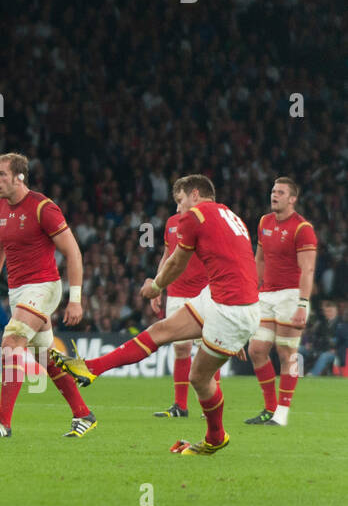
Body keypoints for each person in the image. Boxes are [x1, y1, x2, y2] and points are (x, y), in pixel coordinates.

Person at [53, 174, 260, 455]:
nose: (177, 209)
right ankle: (92, 368)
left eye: (180, 200)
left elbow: (176, 261)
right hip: (223, 297)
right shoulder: (229, 214)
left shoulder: (195, 216)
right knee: (161, 331)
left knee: (199, 378)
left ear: (195, 194)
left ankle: (216, 437)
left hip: (230, 308)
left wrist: (156, 286)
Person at [0, 153, 95, 439]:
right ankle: (84, 414)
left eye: (2, 174)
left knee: (11, 341)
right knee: (44, 356)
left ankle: (2, 422)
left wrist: (75, 298)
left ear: (19, 177)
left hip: (44, 287)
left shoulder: (43, 208)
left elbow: (73, 252)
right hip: (18, 291)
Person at [245, 177, 317, 426]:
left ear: (292, 198)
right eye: (273, 191)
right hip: (266, 294)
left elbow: (307, 270)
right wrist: (253, 291)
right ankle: (269, 408)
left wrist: (303, 304)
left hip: (290, 295)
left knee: (287, 353)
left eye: (280, 192)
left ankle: (282, 413)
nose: (274, 195)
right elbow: (260, 259)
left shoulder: (302, 228)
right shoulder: (264, 221)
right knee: (256, 350)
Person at [150, 192, 212, 418]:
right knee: (180, 348)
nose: (177, 208)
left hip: (202, 292)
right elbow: (167, 255)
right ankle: (179, 406)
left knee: (208, 349)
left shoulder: (206, 222)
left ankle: (210, 405)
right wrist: (158, 287)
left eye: (180, 201)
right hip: (176, 291)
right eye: (175, 202)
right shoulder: (171, 224)